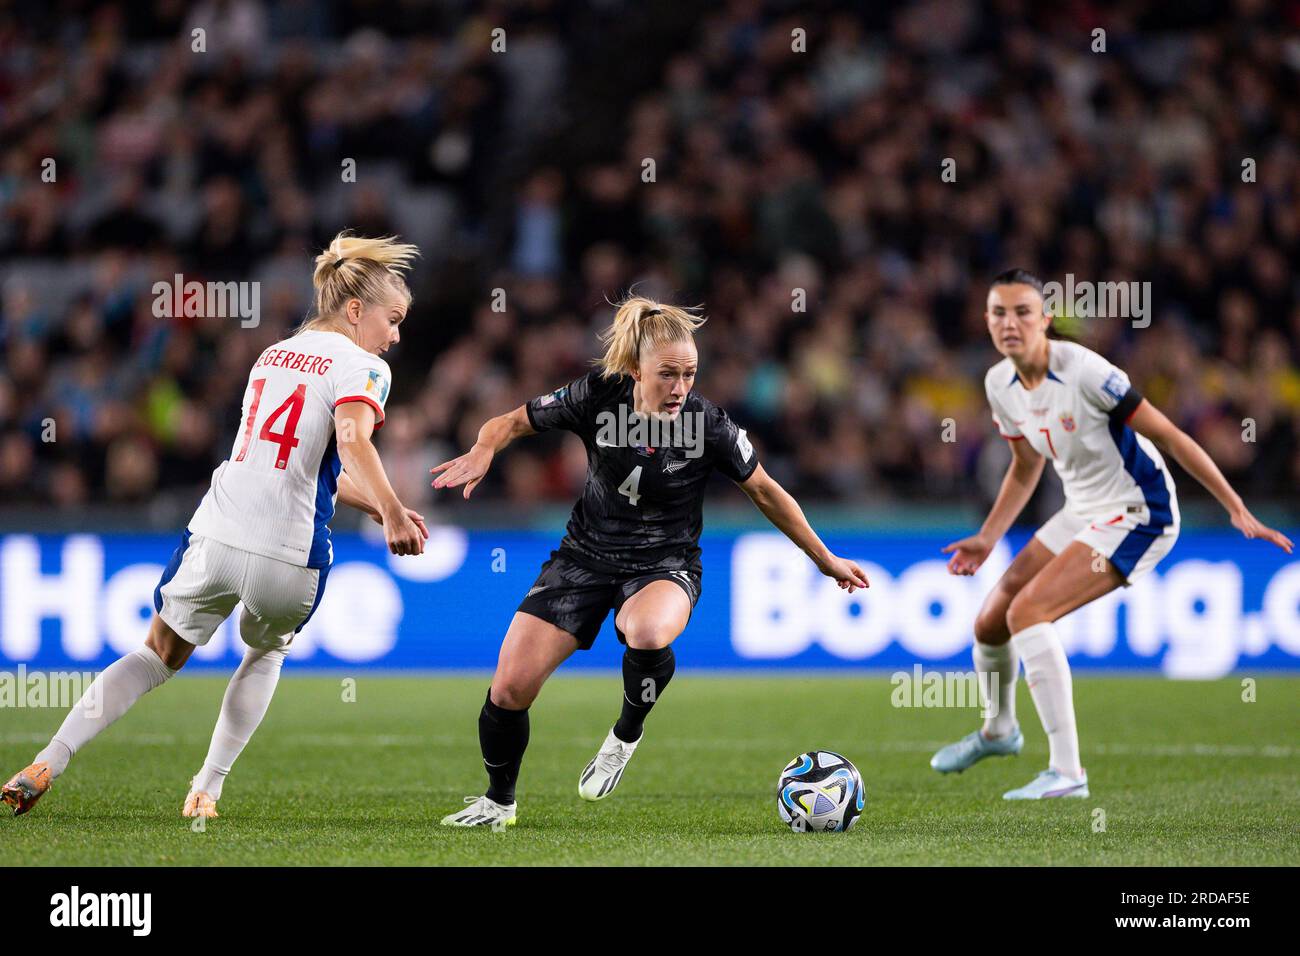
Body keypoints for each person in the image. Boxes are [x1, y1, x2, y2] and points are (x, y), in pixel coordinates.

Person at [2, 233, 429, 818]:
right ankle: (207, 787)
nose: (396, 335)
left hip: (219, 533)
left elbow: (282, 461)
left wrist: (381, 507)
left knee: (155, 655)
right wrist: (396, 507)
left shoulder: (272, 355)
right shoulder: (365, 365)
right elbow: (353, 439)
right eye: (393, 319)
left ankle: (49, 757)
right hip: (289, 553)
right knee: (265, 654)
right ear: (356, 311)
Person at [431, 296, 869, 827]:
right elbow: (510, 421)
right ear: (636, 369)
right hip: (583, 557)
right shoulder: (596, 396)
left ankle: (625, 735)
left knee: (645, 630)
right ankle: (498, 802)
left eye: (689, 374)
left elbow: (767, 491)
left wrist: (823, 558)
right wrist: (483, 449)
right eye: (668, 374)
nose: (680, 387)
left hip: (665, 562)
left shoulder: (708, 424)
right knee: (509, 689)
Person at [932, 269, 1293, 799]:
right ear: (986, 320)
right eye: (998, 313)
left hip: (1139, 512)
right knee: (990, 619)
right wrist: (989, 536)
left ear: (1045, 319)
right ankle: (999, 730)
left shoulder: (1085, 372)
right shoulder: (999, 384)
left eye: (1022, 312)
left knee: (1028, 613)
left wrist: (1236, 508)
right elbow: (1026, 464)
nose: (1009, 323)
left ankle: (1068, 774)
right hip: (1084, 509)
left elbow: (1170, 436)